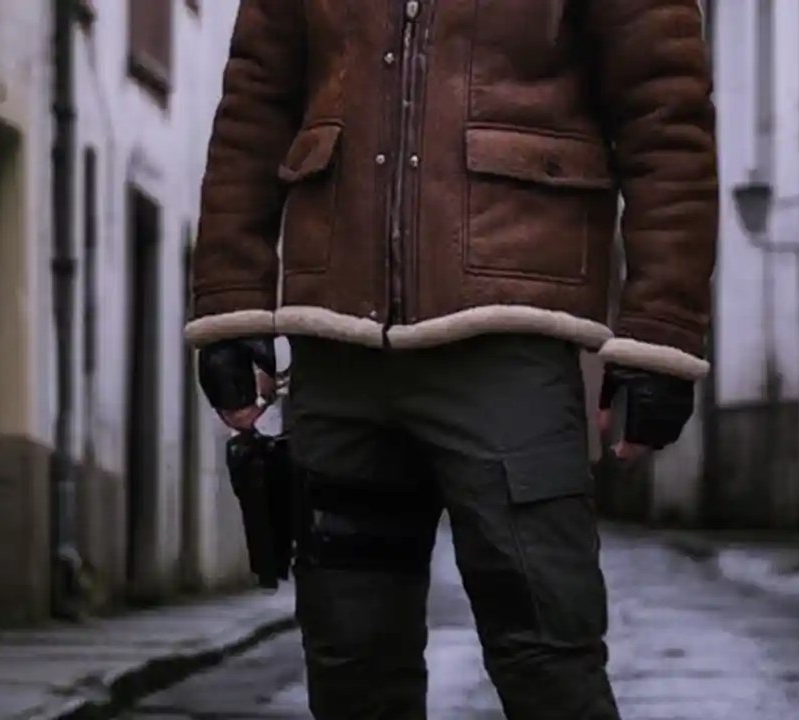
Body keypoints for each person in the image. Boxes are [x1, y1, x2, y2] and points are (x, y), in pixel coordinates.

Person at [188, 1, 716, 718]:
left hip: (512, 340)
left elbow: (666, 115)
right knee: (350, 667)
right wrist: (230, 308)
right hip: (340, 347)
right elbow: (255, 99)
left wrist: (662, 331)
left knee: (548, 656)